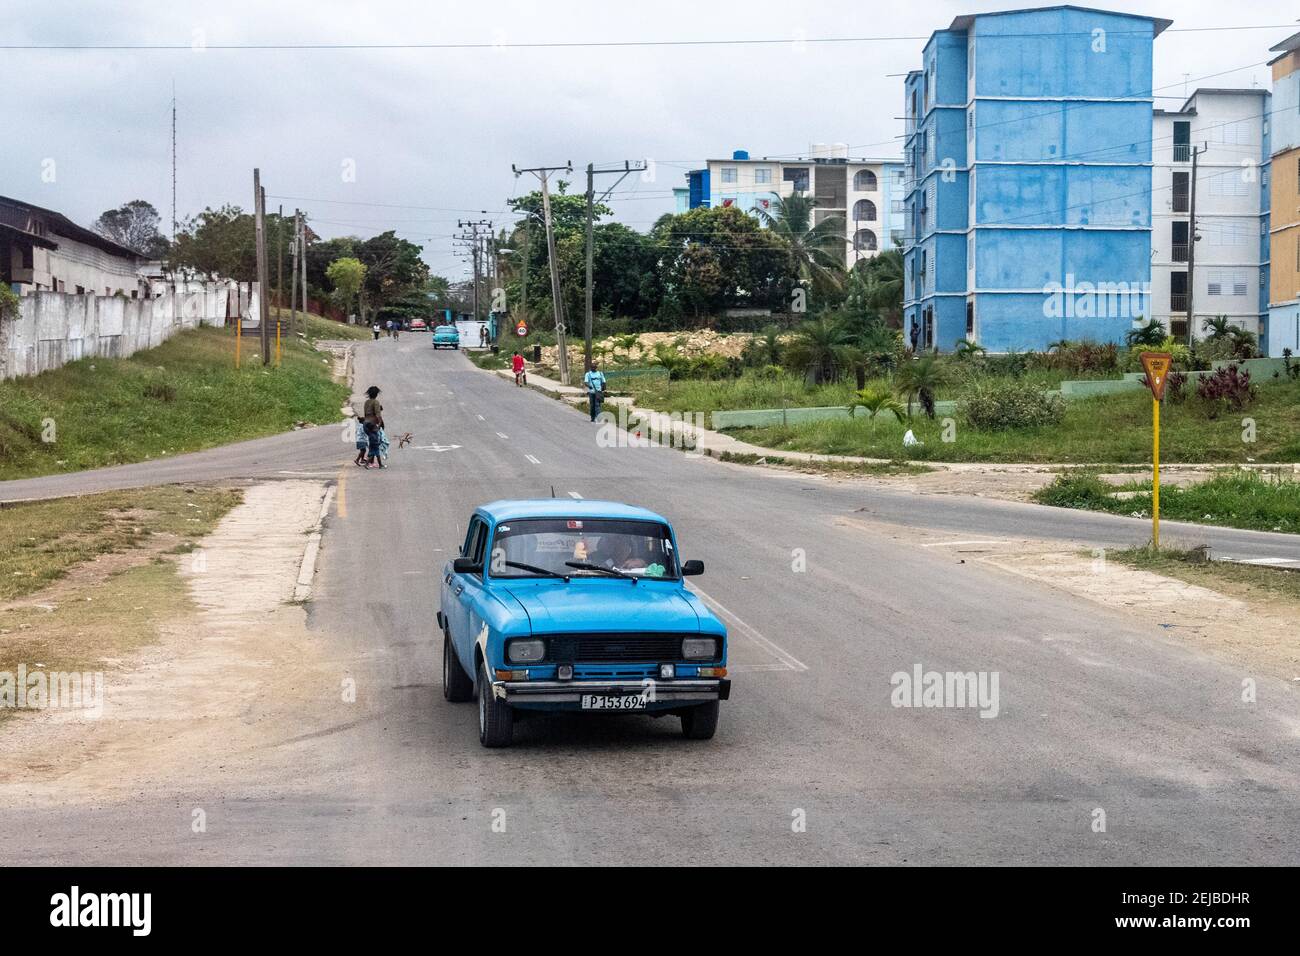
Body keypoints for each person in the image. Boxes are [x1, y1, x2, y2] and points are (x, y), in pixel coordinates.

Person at [362, 385, 385, 469]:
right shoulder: (376, 402)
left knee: (372, 442)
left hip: (366, 424)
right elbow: (378, 415)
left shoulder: (366, 402)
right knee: (375, 443)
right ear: (376, 394)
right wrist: (379, 425)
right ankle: (369, 462)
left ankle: (371, 462)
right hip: (372, 425)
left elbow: (366, 414)